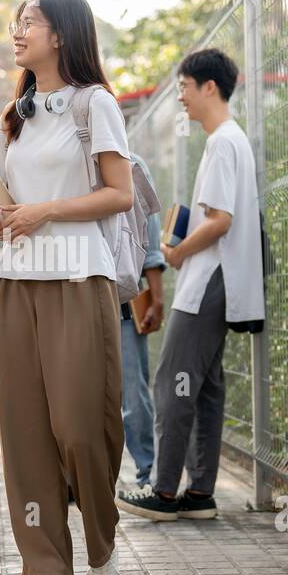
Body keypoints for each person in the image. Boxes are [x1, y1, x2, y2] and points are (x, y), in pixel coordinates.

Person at [0, 0, 134, 575]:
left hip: (77, 277)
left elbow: (118, 193)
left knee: (79, 423)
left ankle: (102, 549)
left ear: (62, 34)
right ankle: (48, 568)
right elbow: (7, 201)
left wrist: (46, 211)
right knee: (26, 429)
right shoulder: (13, 113)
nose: (18, 32)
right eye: (16, 22)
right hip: (17, 282)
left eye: (30, 22)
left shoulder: (95, 105)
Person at [116, 47, 264, 521]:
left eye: (184, 86)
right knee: (204, 385)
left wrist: (178, 251)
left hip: (209, 281)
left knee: (172, 380)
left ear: (209, 87)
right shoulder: (230, 139)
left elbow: (220, 220)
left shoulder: (223, 141)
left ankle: (163, 491)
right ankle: (199, 493)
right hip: (223, 279)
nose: (180, 97)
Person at [120, 154, 165, 486]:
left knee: (134, 397)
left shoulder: (133, 165)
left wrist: (157, 298)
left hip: (125, 303)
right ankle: (75, 478)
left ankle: (148, 474)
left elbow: (150, 241)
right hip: (77, 301)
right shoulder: (67, 165)